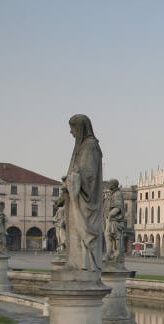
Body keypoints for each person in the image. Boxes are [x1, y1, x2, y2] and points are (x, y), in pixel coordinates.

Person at [63, 114, 103, 273]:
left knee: (82, 231)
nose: (71, 132)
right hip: (77, 197)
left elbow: (90, 175)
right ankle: (76, 262)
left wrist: (74, 178)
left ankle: (85, 264)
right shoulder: (82, 146)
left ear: (80, 128)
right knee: (74, 231)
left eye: (72, 128)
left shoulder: (90, 146)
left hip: (85, 200)